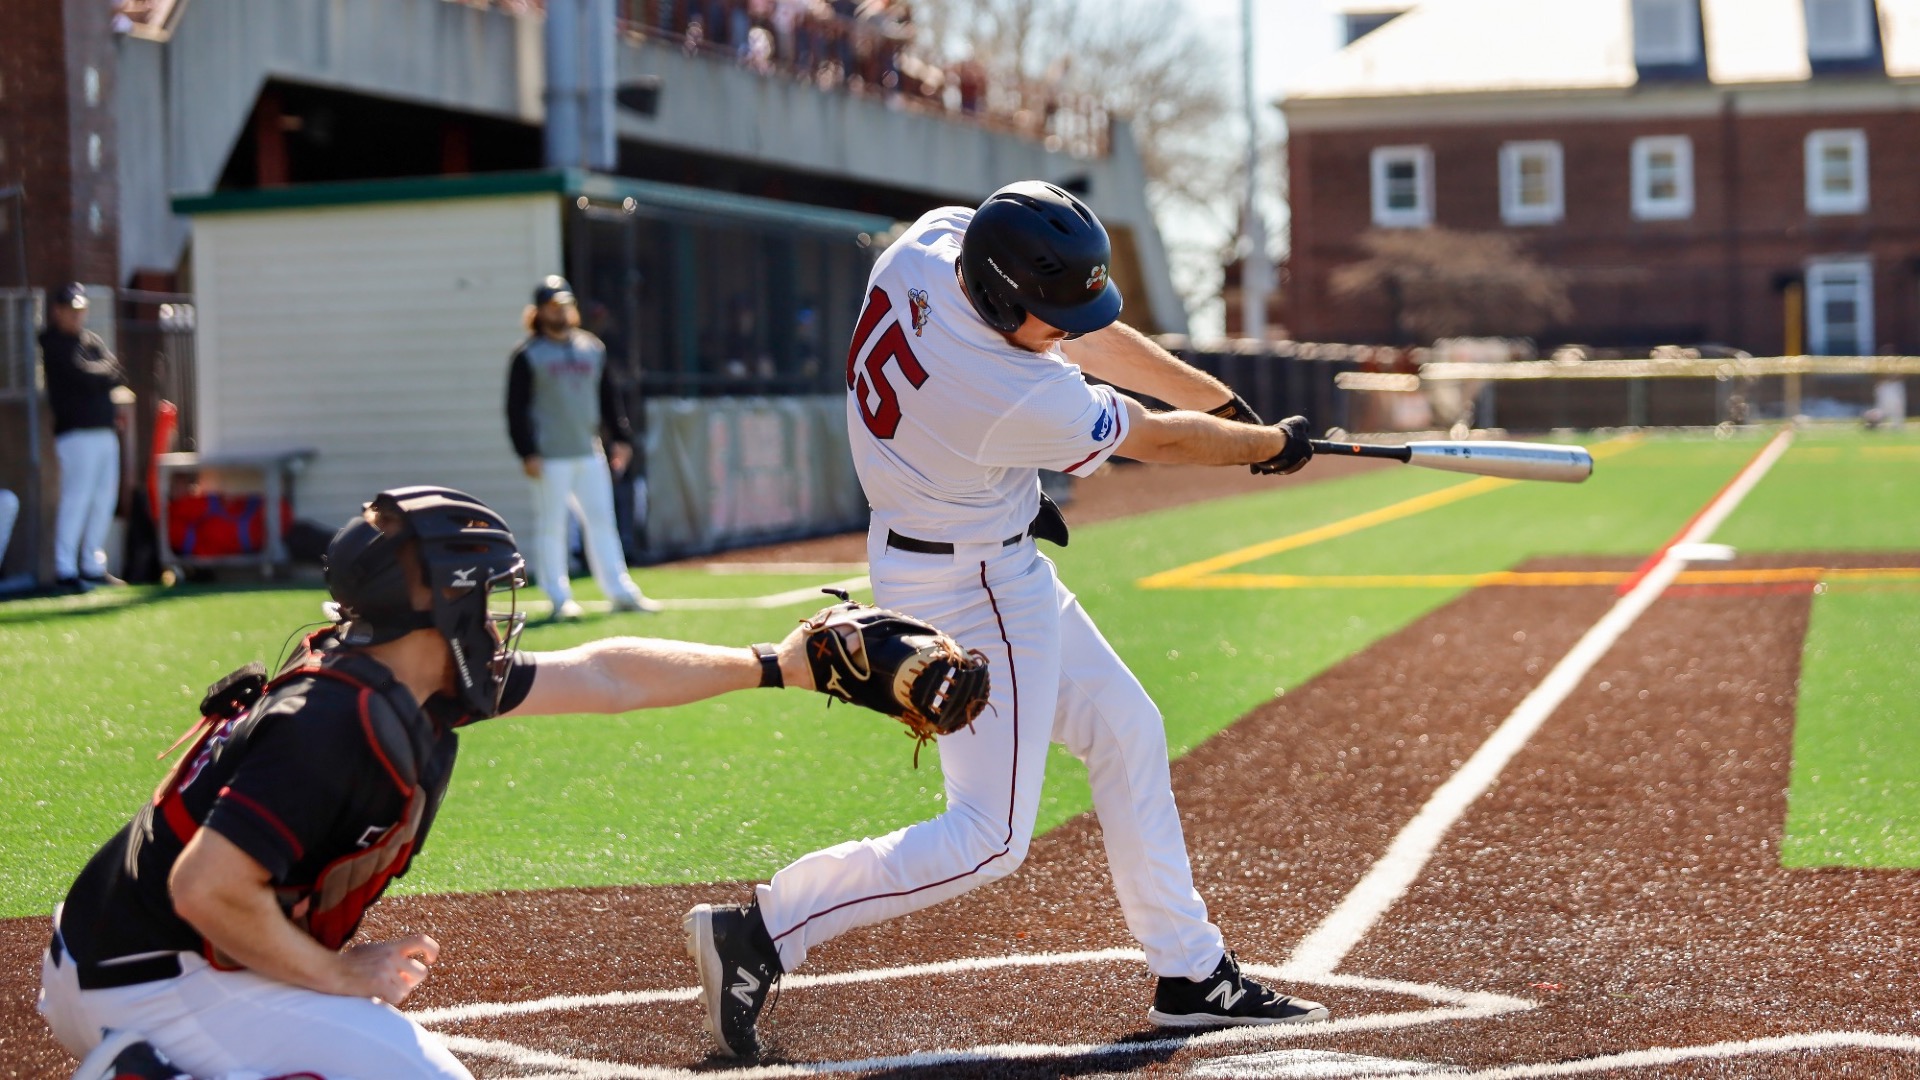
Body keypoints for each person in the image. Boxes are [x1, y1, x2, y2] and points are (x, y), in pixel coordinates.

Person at [682, 180, 1324, 1060]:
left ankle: (1190, 970)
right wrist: (1263, 446)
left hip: (957, 547)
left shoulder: (939, 242)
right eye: (1046, 313)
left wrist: (1215, 401)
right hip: (972, 586)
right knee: (988, 840)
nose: (1064, 328)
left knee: (1127, 728)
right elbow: (1156, 441)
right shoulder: (1008, 389)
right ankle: (763, 930)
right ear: (997, 296)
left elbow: (1086, 328)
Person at [39, 484, 961, 1080]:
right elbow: (205, 888)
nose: (496, 620)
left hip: (139, 956)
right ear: (431, 611)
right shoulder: (331, 725)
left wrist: (776, 665)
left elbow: (607, 675)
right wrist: (335, 973)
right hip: (146, 980)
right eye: (479, 599)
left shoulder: (413, 679)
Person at [505, 275, 659, 620]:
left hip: (589, 451)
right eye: (551, 307)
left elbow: (608, 397)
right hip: (549, 456)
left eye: (564, 306)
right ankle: (559, 598)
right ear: (539, 312)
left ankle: (620, 591)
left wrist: (620, 438)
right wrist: (526, 451)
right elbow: (515, 409)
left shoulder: (592, 348)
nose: (559, 313)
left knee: (602, 521)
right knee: (553, 526)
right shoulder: (528, 355)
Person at [40, 283, 130, 592]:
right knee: (76, 498)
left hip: (104, 431)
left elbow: (116, 370)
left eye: (81, 310)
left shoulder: (90, 340)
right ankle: (65, 568)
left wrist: (99, 373)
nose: (77, 316)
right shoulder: (53, 343)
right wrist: (100, 373)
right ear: (58, 311)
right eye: (71, 310)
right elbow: (82, 374)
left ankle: (93, 564)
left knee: (103, 498)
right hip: (76, 434)